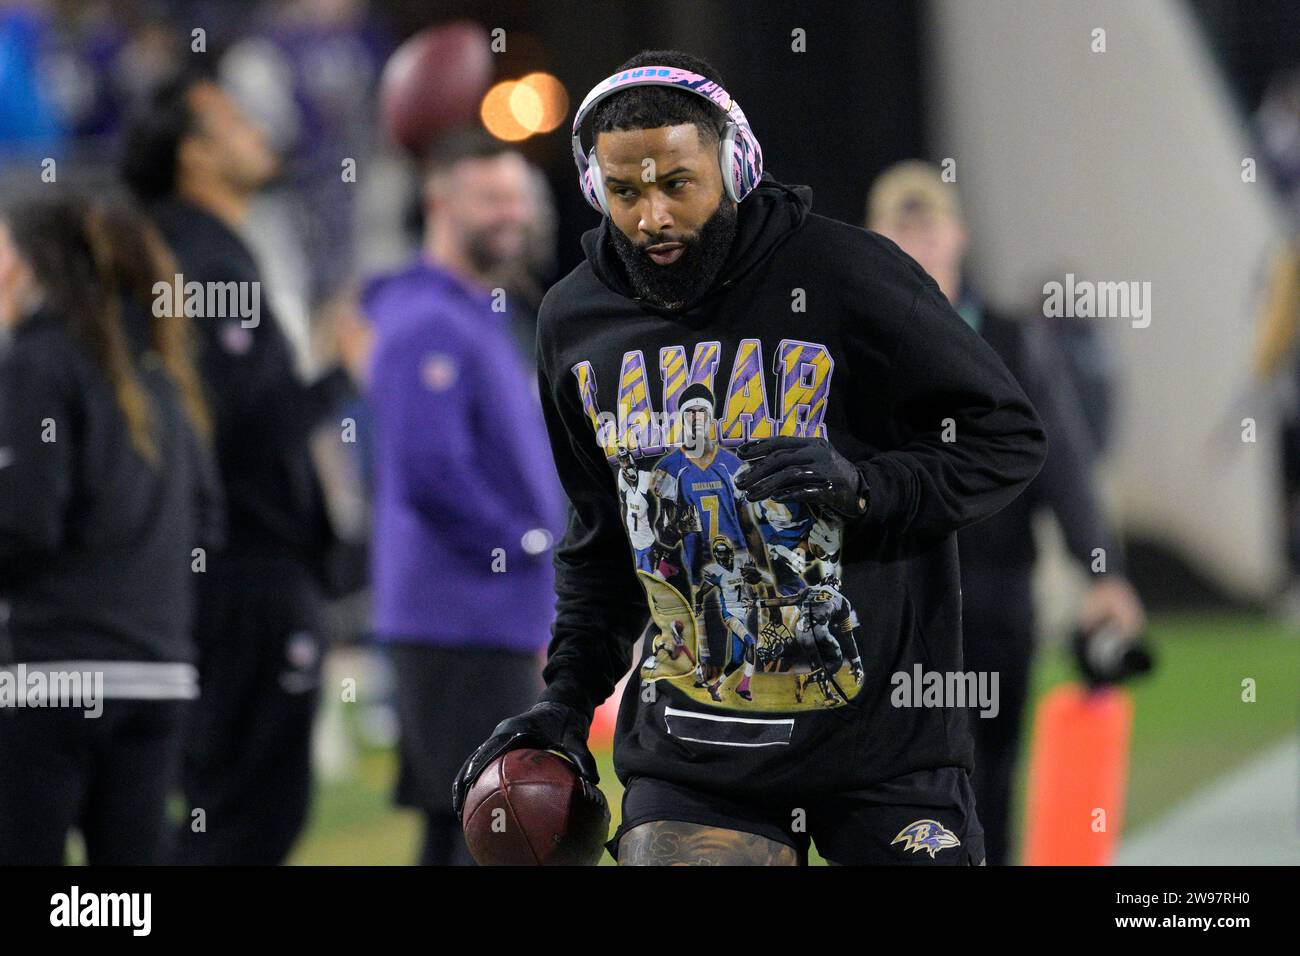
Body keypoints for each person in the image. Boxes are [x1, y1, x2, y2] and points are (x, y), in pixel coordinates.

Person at [454, 50, 1048, 866]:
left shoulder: (849, 275)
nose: (652, 216)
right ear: (594, 188)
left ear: (737, 166)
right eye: (624, 192)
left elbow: (1007, 436)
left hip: (883, 750)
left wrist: (868, 489)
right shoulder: (575, 321)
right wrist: (564, 700)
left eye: (677, 185)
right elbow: (601, 546)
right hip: (695, 762)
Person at [866, 160, 1146, 864]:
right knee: (897, 791)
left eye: (928, 231)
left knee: (990, 780)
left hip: (993, 601)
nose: (919, 248)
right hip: (892, 607)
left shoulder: (1013, 340)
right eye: (901, 235)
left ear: (958, 236)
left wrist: (1101, 569)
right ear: (872, 242)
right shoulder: (856, 345)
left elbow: (1064, 462)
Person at [121, 71, 355, 864]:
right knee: (249, 812)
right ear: (194, 154)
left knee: (221, 801)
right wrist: (341, 371)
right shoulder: (201, 260)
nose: (258, 131)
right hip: (245, 568)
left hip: (211, 564)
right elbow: (245, 431)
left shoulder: (180, 246)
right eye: (233, 122)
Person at [360, 130, 565, 866]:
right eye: (489, 197)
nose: (509, 213)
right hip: (458, 620)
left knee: (468, 831)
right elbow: (429, 473)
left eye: (516, 195)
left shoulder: (484, 312)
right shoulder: (426, 321)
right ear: (439, 203)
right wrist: (526, 544)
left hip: (482, 618)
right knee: (497, 830)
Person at [0, 196, 218, 864]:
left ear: (34, 268)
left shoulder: (38, 363)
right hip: (157, 675)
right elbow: (209, 526)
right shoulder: (162, 372)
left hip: (52, 678)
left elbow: (24, 524)